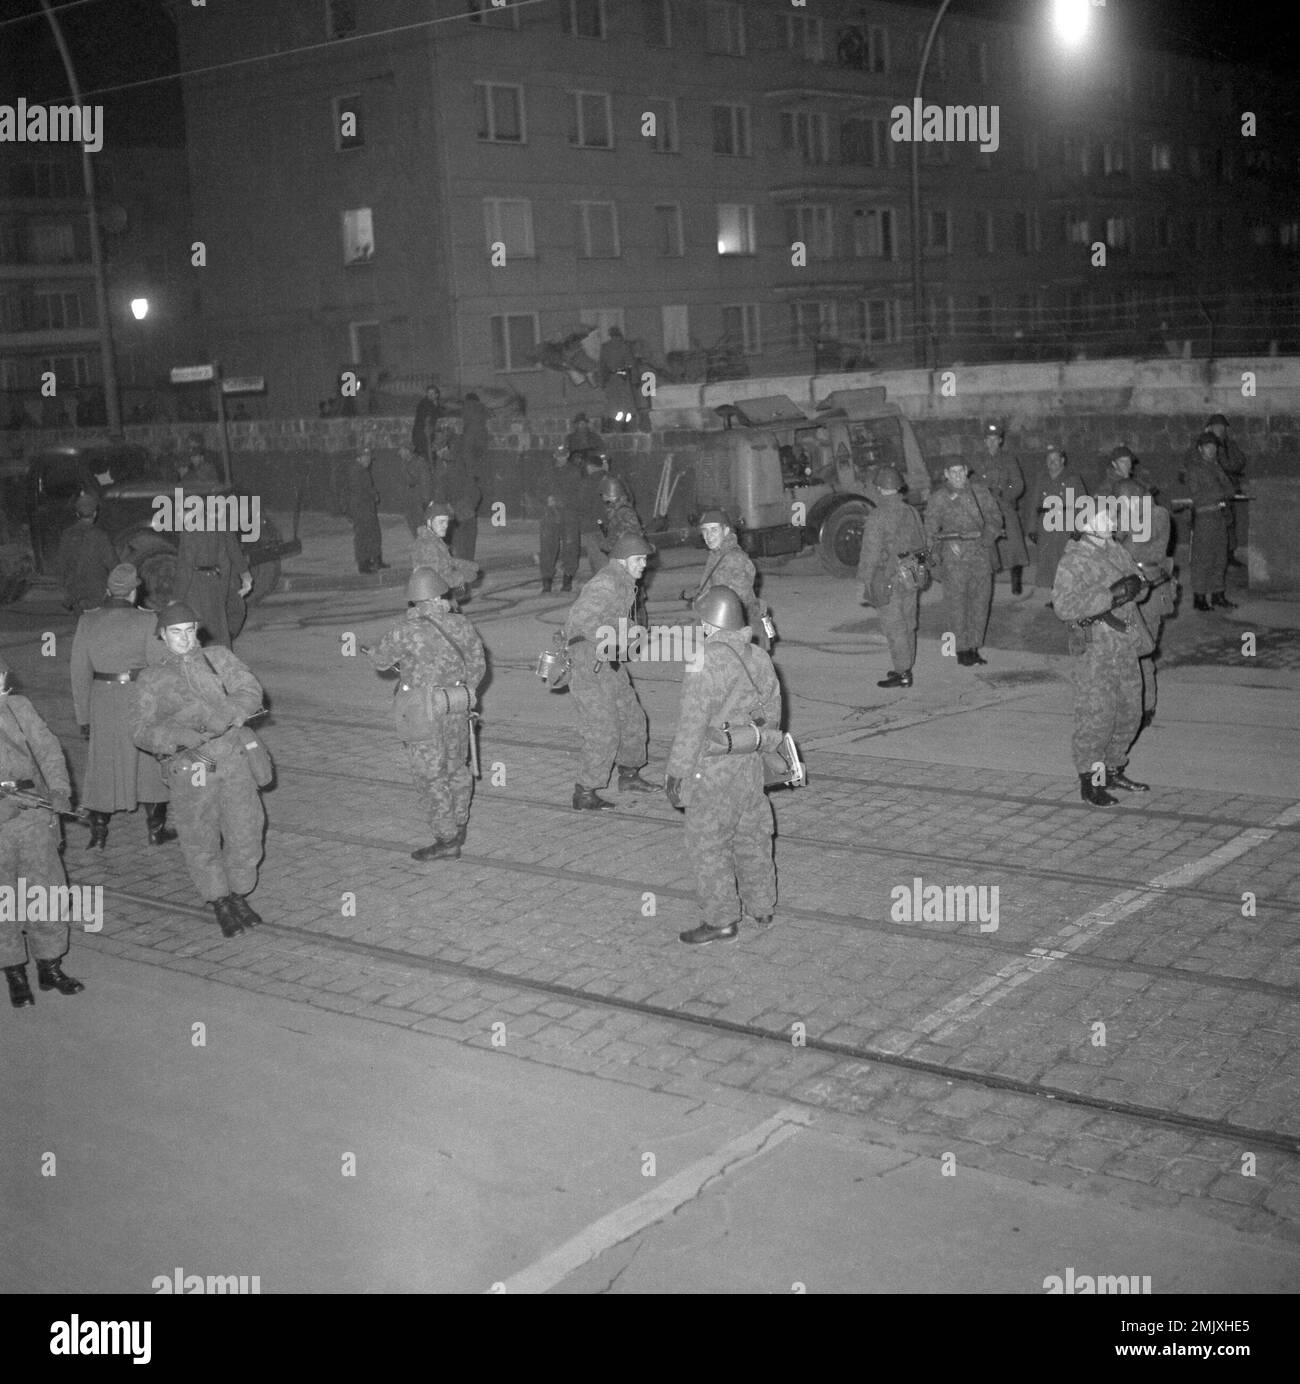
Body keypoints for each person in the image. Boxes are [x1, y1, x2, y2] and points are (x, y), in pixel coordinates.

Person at [132, 603, 267, 937]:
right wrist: (180, 737)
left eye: (189, 631)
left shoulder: (218, 658)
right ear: (163, 636)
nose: (184, 639)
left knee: (246, 832)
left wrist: (230, 711)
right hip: (191, 767)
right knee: (199, 838)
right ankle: (220, 900)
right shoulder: (152, 678)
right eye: (175, 633)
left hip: (233, 759)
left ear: (197, 631)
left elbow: (250, 689)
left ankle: (238, 892)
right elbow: (139, 730)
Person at [665, 585, 780, 946]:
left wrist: (677, 773)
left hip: (712, 772)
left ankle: (721, 920)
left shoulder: (703, 659)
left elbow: (691, 724)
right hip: (749, 766)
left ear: (708, 624)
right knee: (753, 838)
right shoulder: (759, 657)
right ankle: (762, 907)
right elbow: (773, 717)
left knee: (710, 845)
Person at [366, 567, 487, 861]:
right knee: (458, 768)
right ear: (441, 594)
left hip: (422, 713)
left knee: (431, 777)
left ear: (413, 600)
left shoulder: (405, 631)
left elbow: (381, 662)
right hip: (457, 706)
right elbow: (478, 666)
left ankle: (447, 840)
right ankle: (459, 824)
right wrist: (461, 691)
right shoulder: (461, 624)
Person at [71, 563, 175, 850]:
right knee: (149, 763)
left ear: (108, 590)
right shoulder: (148, 621)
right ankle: (156, 831)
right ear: (134, 591)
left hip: (102, 700)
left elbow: (79, 672)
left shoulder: (87, 621)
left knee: (102, 764)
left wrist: (83, 716)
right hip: (138, 698)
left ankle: (99, 833)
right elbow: (161, 667)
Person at [1052, 509, 1152, 807]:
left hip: (1124, 644)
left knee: (1130, 711)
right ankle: (1091, 781)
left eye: (1112, 518)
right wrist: (1111, 595)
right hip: (1097, 648)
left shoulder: (1117, 549)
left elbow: (1140, 587)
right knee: (1097, 717)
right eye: (1105, 519)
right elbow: (1063, 606)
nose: (1112, 523)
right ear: (1086, 524)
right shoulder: (1074, 560)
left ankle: (1113, 770)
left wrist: (1139, 587)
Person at [0, 656, 84, 1008]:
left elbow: (49, 748)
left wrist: (59, 790)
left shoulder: (19, 707)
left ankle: (50, 965)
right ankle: (14, 971)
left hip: (34, 813)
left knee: (46, 890)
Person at [562, 533, 658, 808]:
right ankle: (585, 792)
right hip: (587, 662)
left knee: (632, 717)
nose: (643, 565)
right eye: (639, 560)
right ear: (622, 560)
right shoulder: (606, 583)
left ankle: (629, 774)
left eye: (644, 559)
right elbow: (578, 624)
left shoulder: (624, 582)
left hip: (609, 660)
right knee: (603, 728)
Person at [924, 462, 1001, 666]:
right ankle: (961, 649)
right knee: (957, 605)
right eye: (953, 472)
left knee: (980, 602)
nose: (957, 475)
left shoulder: (980, 492)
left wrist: (987, 538)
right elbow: (930, 531)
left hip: (980, 556)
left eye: (961, 471)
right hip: (953, 559)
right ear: (946, 474)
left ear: (967, 472)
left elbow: (995, 518)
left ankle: (974, 646)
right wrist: (935, 560)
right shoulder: (939, 498)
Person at [856, 466, 926, 688]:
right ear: (898, 487)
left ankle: (903, 672)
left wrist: (864, 580)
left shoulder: (877, 515)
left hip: (889, 577)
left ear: (879, 488)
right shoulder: (911, 511)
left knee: (894, 626)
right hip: (912, 572)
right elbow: (922, 543)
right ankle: (906, 664)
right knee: (908, 622)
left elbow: (870, 553)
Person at [1116, 477, 1174, 730]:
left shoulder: (1157, 514)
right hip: (1130, 589)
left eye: (1123, 502)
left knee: (1142, 648)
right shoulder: (1132, 515)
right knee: (1127, 648)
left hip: (1150, 590)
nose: (1120, 506)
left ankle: (1146, 706)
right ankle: (1131, 704)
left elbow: (1132, 547)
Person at [680, 509, 770, 648]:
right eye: (705, 530)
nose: (708, 535)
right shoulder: (717, 553)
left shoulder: (735, 559)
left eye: (714, 529)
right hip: (722, 625)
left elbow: (734, 603)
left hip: (735, 630)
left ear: (726, 531)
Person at [172, 517, 253, 649]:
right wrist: (246, 576)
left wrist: (176, 599)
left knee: (200, 629)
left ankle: (206, 660)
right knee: (220, 625)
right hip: (218, 581)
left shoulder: (190, 530)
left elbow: (185, 567)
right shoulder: (220, 523)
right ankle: (221, 658)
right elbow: (234, 550)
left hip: (197, 585)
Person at [1181, 430, 1236, 611]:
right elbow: (1197, 496)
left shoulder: (1216, 466)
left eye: (1214, 446)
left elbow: (1231, 489)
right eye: (1208, 446)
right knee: (1202, 559)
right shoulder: (1194, 469)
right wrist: (1219, 494)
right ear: (1200, 449)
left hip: (1219, 517)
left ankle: (1218, 594)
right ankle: (1199, 597)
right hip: (1204, 517)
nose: (1212, 449)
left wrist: (1221, 492)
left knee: (1220, 557)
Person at [972, 423, 1028, 595]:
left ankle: (1016, 581)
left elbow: (1018, 483)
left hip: (1004, 505)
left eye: (994, 440)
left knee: (1014, 543)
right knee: (983, 544)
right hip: (984, 507)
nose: (991, 443)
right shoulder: (977, 459)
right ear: (984, 441)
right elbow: (972, 482)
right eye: (988, 440)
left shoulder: (1009, 459)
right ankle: (983, 582)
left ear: (1000, 441)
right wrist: (982, 496)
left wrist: (1004, 494)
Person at [1029, 444, 1088, 605]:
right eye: (1049, 459)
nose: (1052, 462)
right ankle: (1056, 596)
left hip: (1065, 525)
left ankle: (1067, 597)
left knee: (1065, 561)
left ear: (1062, 460)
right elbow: (1034, 503)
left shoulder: (1072, 478)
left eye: (1056, 459)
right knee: (1049, 562)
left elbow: (1082, 503)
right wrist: (1032, 528)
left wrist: (1078, 528)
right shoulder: (1042, 478)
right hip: (1046, 525)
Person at [56, 493, 117, 614]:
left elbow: (62, 566)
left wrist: (67, 591)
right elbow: (113, 565)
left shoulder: (66, 535)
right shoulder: (100, 536)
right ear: (95, 513)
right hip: (96, 594)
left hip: (75, 595)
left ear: (77, 514)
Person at [411, 501, 479, 602]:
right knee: (456, 617)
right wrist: (463, 577)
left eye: (447, 522)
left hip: (438, 597)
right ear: (429, 522)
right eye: (441, 522)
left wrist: (466, 565)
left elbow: (445, 561)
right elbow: (436, 579)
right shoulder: (426, 545)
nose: (445, 526)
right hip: (431, 601)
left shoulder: (434, 540)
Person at [434, 424, 483, 564]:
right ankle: (462, 583)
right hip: (453, 514)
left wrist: (460, 508)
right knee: (458, 555)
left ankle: (462, 584)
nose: (438, 452)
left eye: (440, 449)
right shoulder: (442, 464)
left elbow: (474, 491)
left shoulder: (458, 465)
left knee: (463, 555)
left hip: (461, 515)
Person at [539, 448, 586, 593]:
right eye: (558, 456)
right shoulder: (547, 472)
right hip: (550, 515)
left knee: (571, 547)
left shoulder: (575, 472)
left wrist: (562, 501)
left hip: (569, 514)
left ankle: (568, 579)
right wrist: (546, 499)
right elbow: (538, 489)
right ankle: (547, 581)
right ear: (554, 455)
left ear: (567, 455)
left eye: (563, 456)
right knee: (547, 548)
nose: (561, 458)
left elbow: (580, 494)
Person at [1205, 413, 1248, 567]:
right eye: (1217, 426)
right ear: (1210, 428)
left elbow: (1240, 461)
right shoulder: (1205, 445)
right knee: (1213, 524)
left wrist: (1227, 468)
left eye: (1223, 427)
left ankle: (1229, 555)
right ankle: (1215, 557)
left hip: (1228, 490)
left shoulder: (1230, 444)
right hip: (1212, 491)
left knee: (1229, 522)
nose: (1220, 429)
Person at [348, 443, 387, 574]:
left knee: (373, 533)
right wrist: (373, 494)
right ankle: (363, 564)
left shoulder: (363, 470)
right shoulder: (356, 471)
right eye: (366, 457)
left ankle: (376, 559)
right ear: (359, 458)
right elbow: (360, 491)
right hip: (361, 508)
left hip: (367, 507)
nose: (369, 460)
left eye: (369, 457)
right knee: (363, 535)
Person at [596, 475, 647, 557]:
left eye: (604, 494)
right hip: (624, 553)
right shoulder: (618, 510)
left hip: (627, 554)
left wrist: (604, 544)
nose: (602, 496)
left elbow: (627, 535)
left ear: (610, 495)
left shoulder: (623, 512)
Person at [399, 443, 435, 538]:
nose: (399, 453)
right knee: (411, 521)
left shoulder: (420, 462)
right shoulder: (403, 463)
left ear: (408, 451)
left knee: (421, 523)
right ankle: (417, 541)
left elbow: (425, 481)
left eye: (401, 450)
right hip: (408, 496)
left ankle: (424, 544)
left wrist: (425, 500)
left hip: (418, 496)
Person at [411, 384, 444, 466]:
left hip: (426, 432)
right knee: (429, 456)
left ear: (437, 395)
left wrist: (436, 405)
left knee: (427, 454)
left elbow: (439, 414)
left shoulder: (434, 403)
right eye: (428, 393)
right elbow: (427, 417)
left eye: (432, 394)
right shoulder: (424, 403)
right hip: (422, 432)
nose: (430, 395)